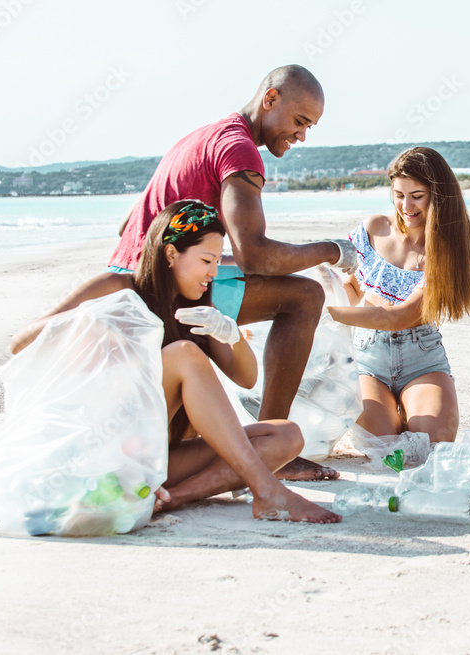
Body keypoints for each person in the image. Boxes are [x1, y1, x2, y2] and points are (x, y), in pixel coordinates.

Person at [13, 201, 341, 524]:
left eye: (217, 261)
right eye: (207, 260)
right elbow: (20, 344)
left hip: (159, 456)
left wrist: (232, 335)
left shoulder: (198, 308)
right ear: (171, 254)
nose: (214, 272)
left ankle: (170, 498)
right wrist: (96, 324)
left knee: (286, 437)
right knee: (184, 353)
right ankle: (268, 492)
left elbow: (246, 377)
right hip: (104, 455)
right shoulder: (117, 289)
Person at [109, 65, 354, 482]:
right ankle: (274, 445)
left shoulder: (202, 136)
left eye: (310, 127)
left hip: (124, 278)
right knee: (304, 297)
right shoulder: (241, 150)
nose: (302, 136)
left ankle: (257, 438)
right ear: (270, 99)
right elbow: (256, 255)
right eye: (299, 122)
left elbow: (128, 223)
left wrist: (217, 268)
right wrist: (335, 251)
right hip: (157, 295)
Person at [326, 147, 470, 444]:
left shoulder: (445, 250)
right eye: (399, 194)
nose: (406, 205)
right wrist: (323, 296)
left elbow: (397, 318)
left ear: (438, 195)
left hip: (421, 359)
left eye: (417, 195)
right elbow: (350, 288)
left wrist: (324, 313)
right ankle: (389, 409)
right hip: (367, 357)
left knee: (431, 441)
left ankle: (411, 405)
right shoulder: (375, 228)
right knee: (380, 444)